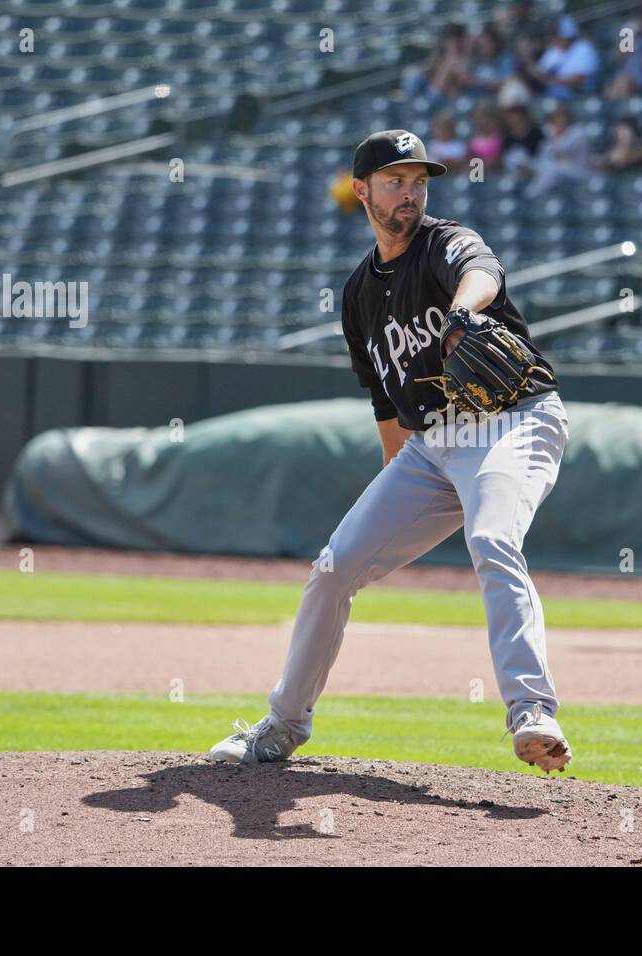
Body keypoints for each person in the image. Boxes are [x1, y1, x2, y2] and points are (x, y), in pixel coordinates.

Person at [209, 130, 573, 774]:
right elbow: (385, 401)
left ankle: (531, 712)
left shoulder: (443, 242)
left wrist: (462, 313)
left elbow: (482, 271)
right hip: (429, 449)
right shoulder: (357, 295)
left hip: (512, 423)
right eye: (395, 181)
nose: (409, 193)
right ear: (362, 191)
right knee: (334, 567)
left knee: (492, 539)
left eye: (418, 181)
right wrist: (392, 494)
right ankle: (284, 724)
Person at [525, 15, 600, 99]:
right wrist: (529, 57)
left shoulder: (583, 48)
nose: (553, 37)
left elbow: (579, 80)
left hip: (579, 97)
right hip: (553, 98)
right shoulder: (554, 50)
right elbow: (538, 72)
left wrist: (547, 80)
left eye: (556, 33)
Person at [530, 102, 593, 193]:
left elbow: (563, 150)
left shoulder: (578, 132)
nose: (560, 121)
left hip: (580, 170)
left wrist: (554, 137)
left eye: (562, 118)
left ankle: (534, 194)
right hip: (562, 173)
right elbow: (543, 158)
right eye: (556, 119)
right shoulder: (551, 136)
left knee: (552, 169)